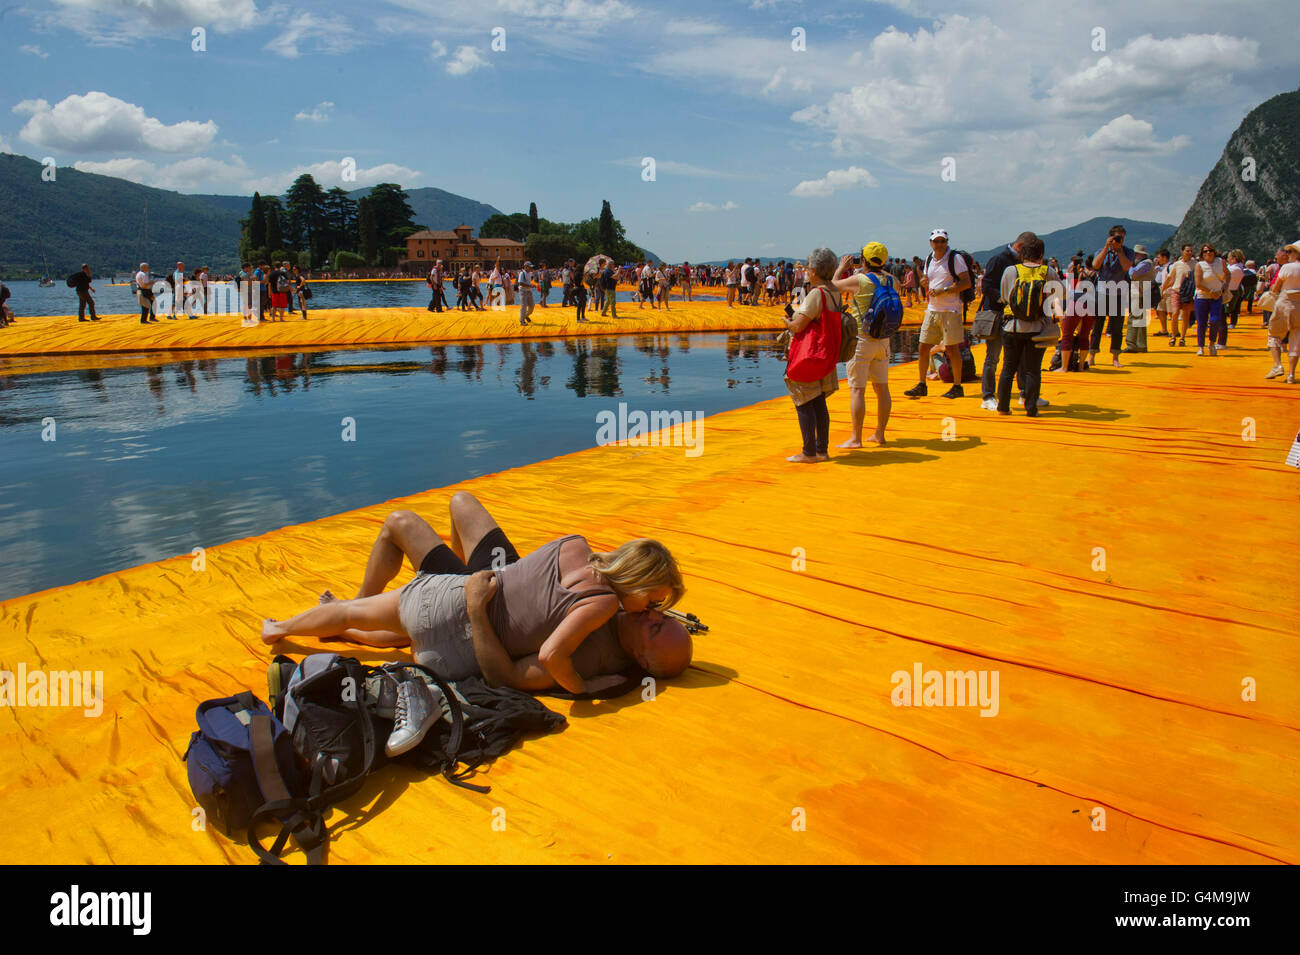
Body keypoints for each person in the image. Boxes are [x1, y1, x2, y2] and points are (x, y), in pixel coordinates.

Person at [259, 493, 692, 698]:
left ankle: (335, 616)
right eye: (654, 605)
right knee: (461, 503)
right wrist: (585, 688)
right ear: (634, 584)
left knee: (398, 531)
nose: (653, 611)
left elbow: (543, 660)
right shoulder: (602, 604)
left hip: (474, 595)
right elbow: (554, 652)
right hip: (485, 586)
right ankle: (351, 615)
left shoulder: (579, 546)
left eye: (658, 615)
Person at [830, 242, 894, 448]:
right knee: (882, 388)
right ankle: (880, 434)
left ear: (863, 259)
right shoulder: (891, 280)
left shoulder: (860, 280)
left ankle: (856, 438)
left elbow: (832, 287)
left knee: (857, 390)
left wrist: (841, 268)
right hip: (883, 340)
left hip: (862, 338)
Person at [781, 247, 840, 463]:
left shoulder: (818, 293)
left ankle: (808, 452)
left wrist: (788, 322)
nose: (805, 270)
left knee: (804, 401)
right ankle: (821, 450)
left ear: (814, 270)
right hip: (827, 353)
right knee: (818, 402)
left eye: (807, 266)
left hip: (810, 354)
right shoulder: (835, 291)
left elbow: (798, 326)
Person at [996, 235, 1061, 417]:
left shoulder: (1011, 270)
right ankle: (1031, 408)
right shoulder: (1047, 272)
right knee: (1033, 370)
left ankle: (1003, 407)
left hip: (1012, 326)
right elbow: (1058, 296)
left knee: (1008, 368)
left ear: (1022, 253)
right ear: (1041, 254)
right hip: (1036, 327)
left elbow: (1003, 296)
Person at [976, 232, 1040, 411]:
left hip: (1015, 315)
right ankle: (988, 395)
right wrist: (1006, 298)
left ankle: (1024, 393)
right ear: (1021, 247)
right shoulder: (999, 260)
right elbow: (986, 286)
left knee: (1019, 358)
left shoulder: (1020, 262)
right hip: (997, 313)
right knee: (993, 357)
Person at [905, 228, 970, 400]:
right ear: (931, 242)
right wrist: (925, 282)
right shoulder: (929, 259)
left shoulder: (955, 258)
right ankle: (921, 384)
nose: (939, 244)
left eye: (942, 241)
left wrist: (945, 290)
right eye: (936, 241)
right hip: (933, 309)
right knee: (923, 346)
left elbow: (966, 282)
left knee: (952, 348)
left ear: (947, 242)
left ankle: (957, 386)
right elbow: (926, 279)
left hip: (950, 309)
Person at [1086, 224, 1133, 369]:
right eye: (1117, 237)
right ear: (1110, 237)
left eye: (1122, 238)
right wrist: (1107, 247)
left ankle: (1115, 357)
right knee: (1097, 325)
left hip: (1119, 292)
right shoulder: (1102, 251)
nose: (1120, 240)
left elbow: (1126, 267)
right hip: (1102, 292)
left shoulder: (1127, 252)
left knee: (1117, 327)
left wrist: (1119, 251)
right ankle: (1092, 355)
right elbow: (1095, 265)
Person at [1265, 240, 1300, 383]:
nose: (1288, 254)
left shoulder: (1287, 267)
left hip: (1284, 303)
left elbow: (1275, 288)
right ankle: (1291, 375)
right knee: (1296, 340)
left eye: (1290, 252)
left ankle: (1277, 365)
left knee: (1273, 334)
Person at [1192, 243, 1228, 357]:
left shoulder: (1220, 262)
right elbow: (1198, 283)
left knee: (1215, 320)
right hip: (1202, 296)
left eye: (1210, 250)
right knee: (1201, 323)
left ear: (1214, 251)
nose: (1208, 253)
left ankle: (1212, 344)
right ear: (1202, 254)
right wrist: (1211, 292)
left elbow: (1227, 274)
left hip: (1217, 297)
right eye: (1205, 251)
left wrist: (1224, 287)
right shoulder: (1199, 265)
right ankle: (1201, 346)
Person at [1123, 245, 1155, 354]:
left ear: (1141, 255)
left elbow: (1133, 274)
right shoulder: (1146, 263)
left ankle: (1131, 344)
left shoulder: (1145, 263)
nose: (1134, 256)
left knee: (1134, 317)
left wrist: (1129, 266)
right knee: (1140, 319)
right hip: (1142, 292)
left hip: (1140, 293)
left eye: (1135, 254)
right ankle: (1141, 345)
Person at [1161, 244, 1194, 347]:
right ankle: (1173, 336)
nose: (1189, 253)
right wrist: (1163, 288)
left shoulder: (1195, 264)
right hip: (1176, 291)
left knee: (1185, 315)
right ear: (1182, 251)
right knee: (1175, 314)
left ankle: (1182, 338)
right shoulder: (1177, 264)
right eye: (1187, 251)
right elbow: (1171, 278)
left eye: (1190, 251)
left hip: (1188, 293)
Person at [1151, 249, 1171, 338]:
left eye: (1159, 257)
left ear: (1164, 257)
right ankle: (1164, 329)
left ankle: (1174, 330)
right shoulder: (1161, 267)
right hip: (1161, 290)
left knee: (1171, 311)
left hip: (1168, 291)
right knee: (1160, 310)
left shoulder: (1170, 266)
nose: (1157, 259)